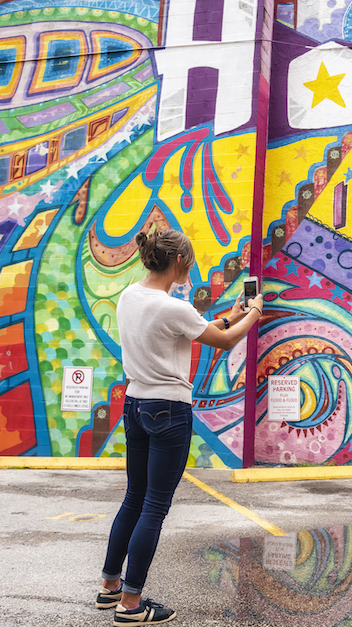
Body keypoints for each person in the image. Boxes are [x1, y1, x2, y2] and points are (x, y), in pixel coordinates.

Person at [96, 229, 263, 625]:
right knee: (155, 505)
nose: (190, 266)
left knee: (134, 499)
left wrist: (230, 316)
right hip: (168, 410)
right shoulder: (173, 307)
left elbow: (192, 331)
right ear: (177, 262)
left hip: (135, 405)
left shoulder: (130, 296)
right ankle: (132, 605)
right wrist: (253, 313)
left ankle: (110, 588)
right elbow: (222, 342)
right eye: (188, 260)